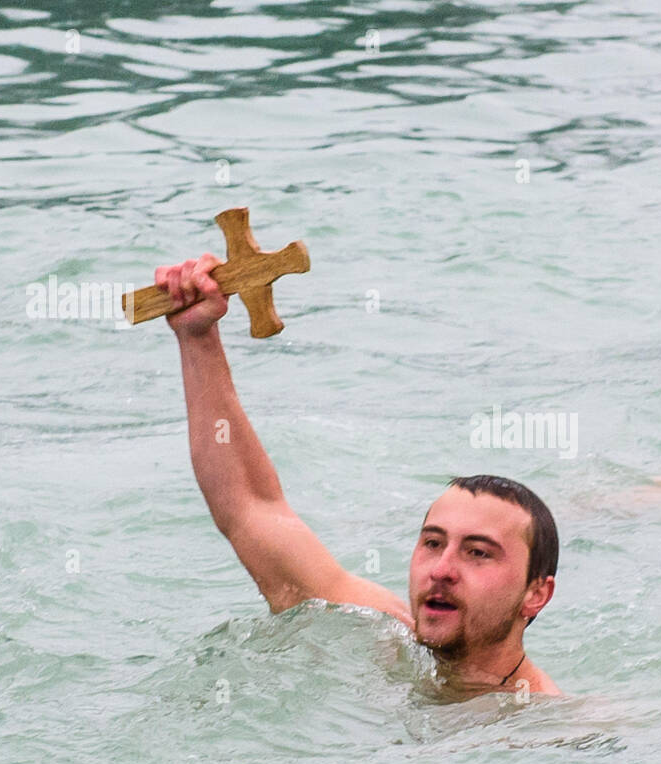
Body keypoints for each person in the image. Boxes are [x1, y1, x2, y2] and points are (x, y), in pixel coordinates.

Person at [157, 254, 561, 696]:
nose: (441, 570)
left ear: (536, 595)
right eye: (432, 543)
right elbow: (250, 508)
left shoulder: (548, 723)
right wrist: (198, 338)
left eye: (478, 553)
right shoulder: (381, 639)